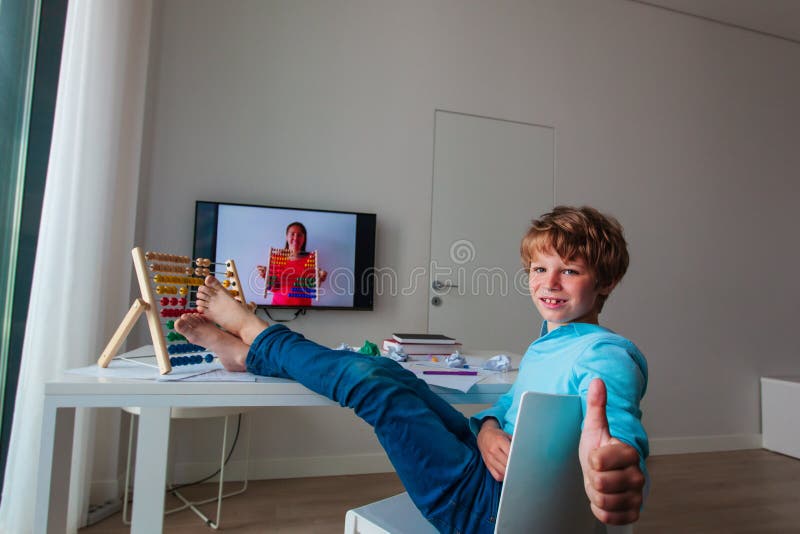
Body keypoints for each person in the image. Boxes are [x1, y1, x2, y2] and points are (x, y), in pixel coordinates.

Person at [176, 206, 647, 534]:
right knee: (390, 371)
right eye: (538, 269)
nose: (548, 284)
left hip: (488, 509)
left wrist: (616, 462)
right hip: (486, 464)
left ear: (604, 280)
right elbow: (508, 408)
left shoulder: (605, 353)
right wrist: (485, 429)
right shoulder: (551, 344)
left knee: (376, 389)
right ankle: (247, 351)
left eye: (569, 270)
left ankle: (252, 333)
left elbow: (612, 424)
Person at [256, 221, 327, 306]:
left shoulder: (311, 259)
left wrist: (320, 278)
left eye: (300, 235)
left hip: (304, 310)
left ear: (304, 238)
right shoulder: (276, 258)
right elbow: (273, 288)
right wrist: (267, 276)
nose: (296, 238)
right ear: (287, 237)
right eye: (292, 234)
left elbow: (312, 286)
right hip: (278, 308)